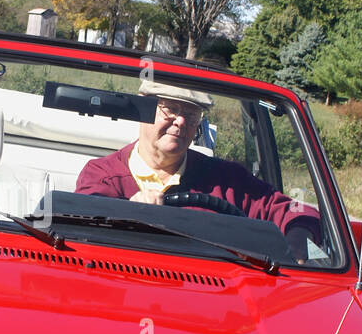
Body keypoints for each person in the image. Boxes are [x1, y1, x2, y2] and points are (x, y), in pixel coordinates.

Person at [75, 79, 322, 257]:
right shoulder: (102, 176)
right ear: (144, 110)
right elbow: (84, 236)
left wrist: (298, 242)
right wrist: (128, 212)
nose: (181, 121)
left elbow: (296, 210)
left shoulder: (229, 180)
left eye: (192, 115)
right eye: (171, 109)